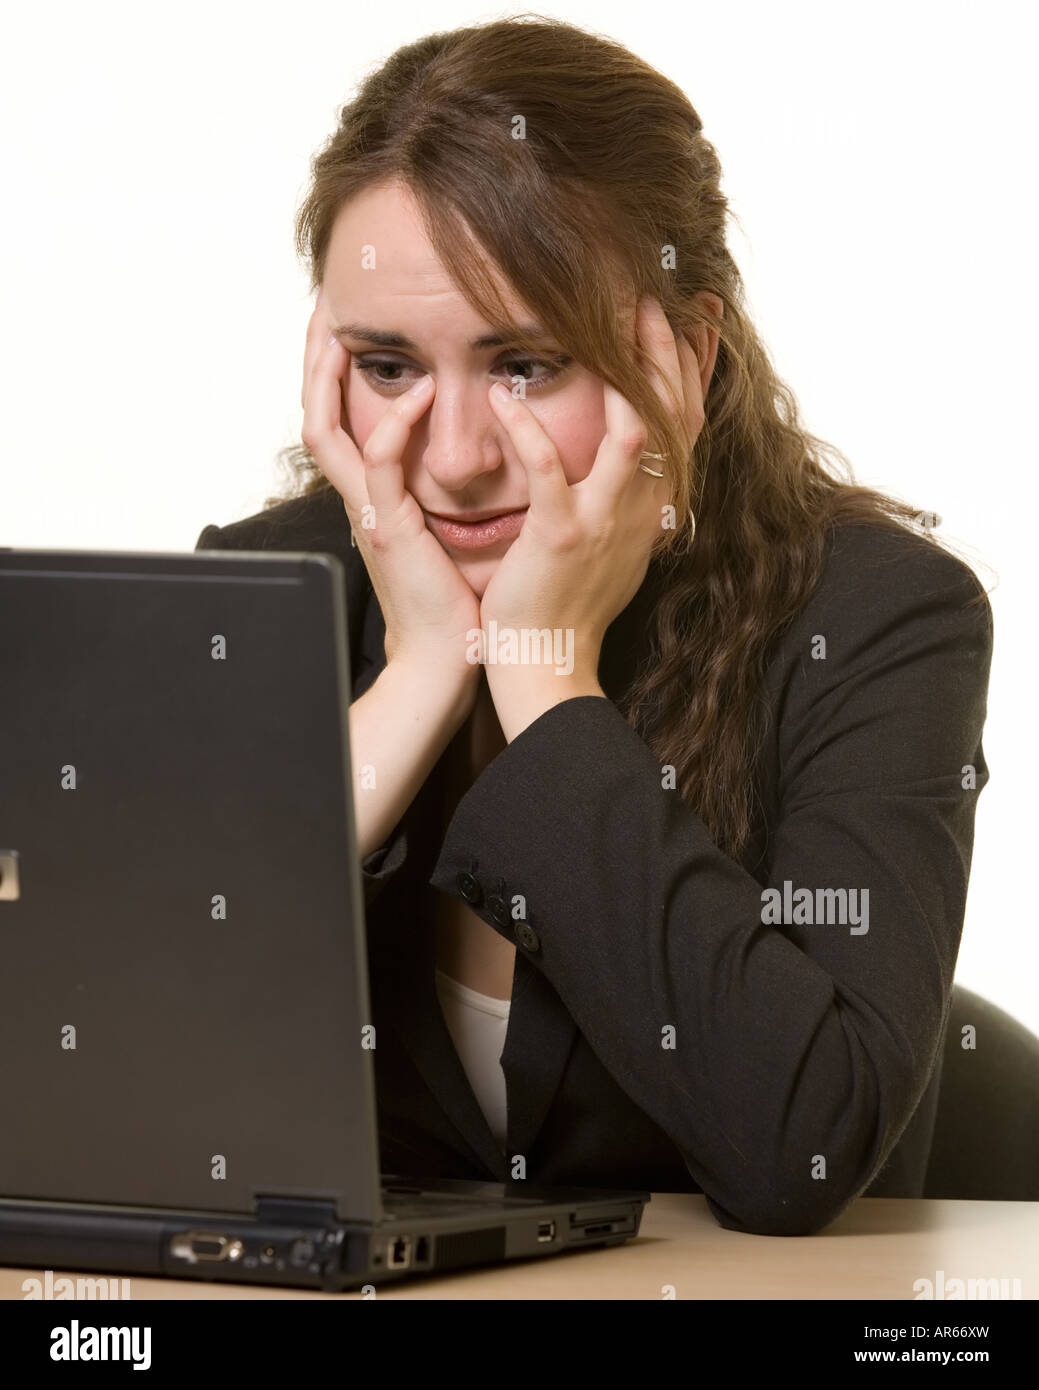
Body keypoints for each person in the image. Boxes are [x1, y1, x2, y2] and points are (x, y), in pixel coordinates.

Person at [195, 15, 993, 1236]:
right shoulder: (263, 593)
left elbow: (800, 1153)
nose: (454, 461)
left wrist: (541, 675)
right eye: (390, 365)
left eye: (526, 363)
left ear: (687, 359)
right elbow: (106, 1079)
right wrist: (413, 676)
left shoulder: (874, 618)